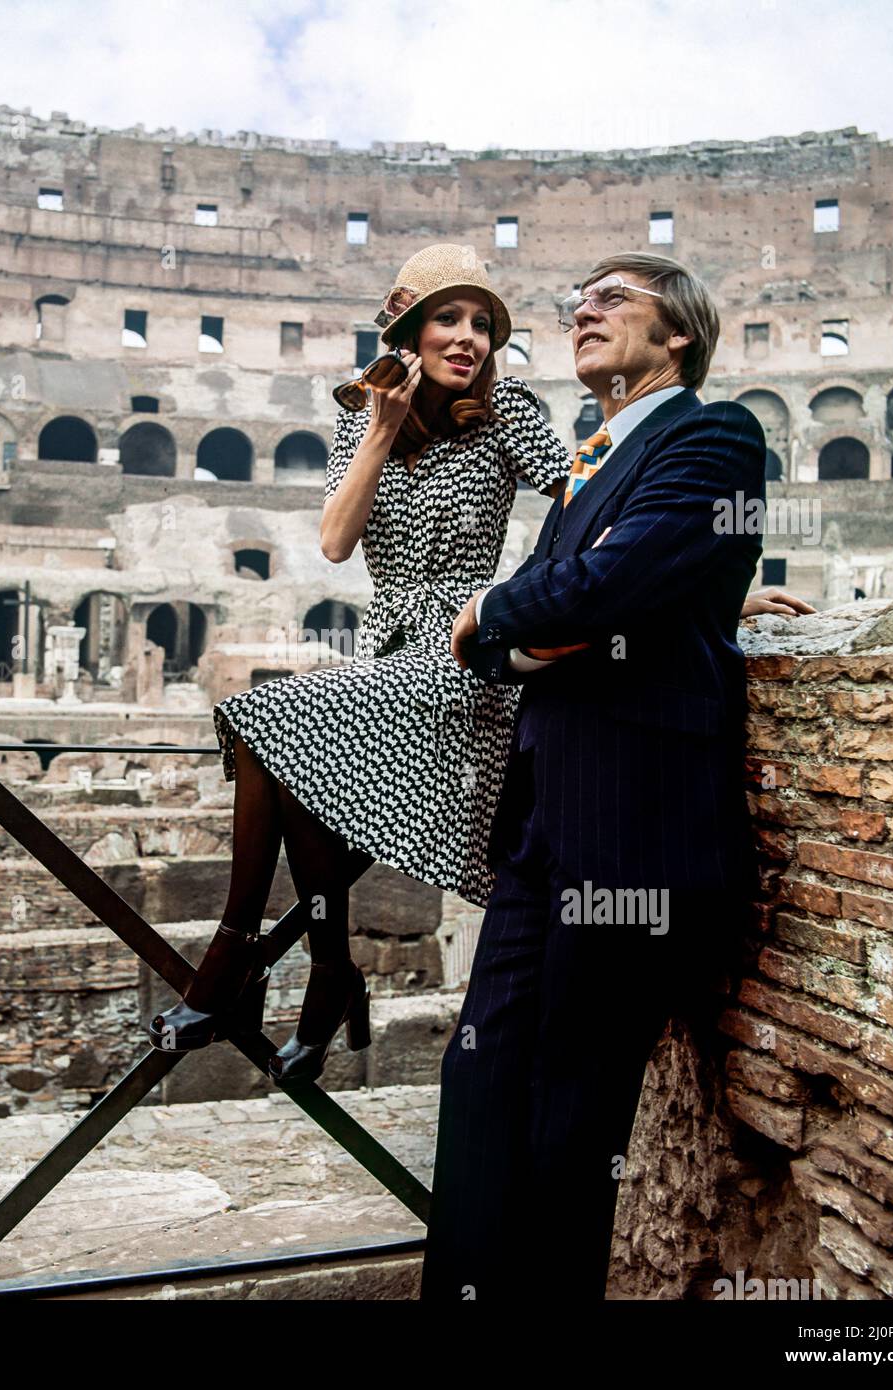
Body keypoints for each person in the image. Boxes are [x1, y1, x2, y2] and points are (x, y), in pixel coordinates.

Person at [423, 251, 768, 1301]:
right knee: (481, 1079)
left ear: (677, 336)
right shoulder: (586, 461)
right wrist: (520, 618)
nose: (583, 309)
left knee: (571, 1113)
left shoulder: (713, 436)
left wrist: (497, 614)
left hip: (632, 828)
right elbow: (554, 597)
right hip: (540, 823)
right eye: (578, 300)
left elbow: (606, 585)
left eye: (614, 298)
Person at [144, 243, 572, 1082]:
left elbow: (590, 504)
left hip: (467, 646)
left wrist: (699, 588)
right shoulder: (359, 419)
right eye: (448, 318)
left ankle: (237, 962)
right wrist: (379, 430)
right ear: (407, 332)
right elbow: (337, 542)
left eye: (482, 324)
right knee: (306, 796)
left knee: (267, 725)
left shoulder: (508, 410)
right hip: (386, 642)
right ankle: (332, 973)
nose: (469, 338)